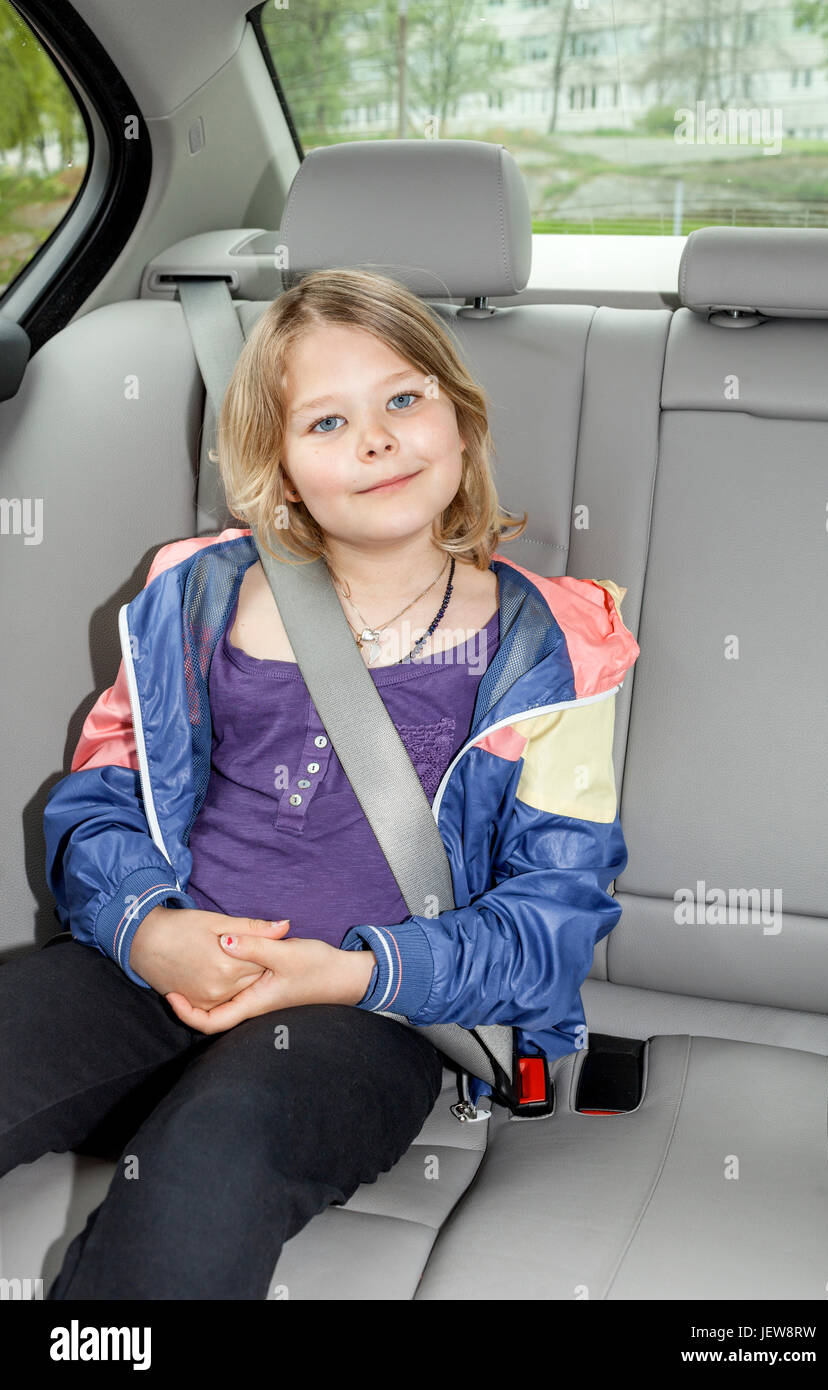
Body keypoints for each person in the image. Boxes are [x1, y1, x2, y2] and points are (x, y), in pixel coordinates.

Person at [0, 268, 639, 1300]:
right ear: (281, 472)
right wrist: (145, 929)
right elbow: (99, 803)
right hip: (161, 968)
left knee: (217, 1149)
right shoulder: (194, 598)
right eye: (327, 420)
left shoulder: (553, 650)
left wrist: (343, 974)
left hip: (368, 1014)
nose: (376, 439)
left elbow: (549, 927)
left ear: (461, 420)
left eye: (403, 398)